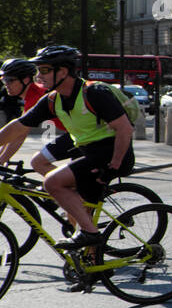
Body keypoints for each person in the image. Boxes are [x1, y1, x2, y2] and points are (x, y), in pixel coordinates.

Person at [0, 45, 135, 254]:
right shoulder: (52, 100)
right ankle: (92, 264)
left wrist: (114, 165)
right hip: (88, 152)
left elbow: (125, 129)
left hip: (112, 155)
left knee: (53, 182)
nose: (38, 76)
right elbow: (18, 127)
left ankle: (90, 233)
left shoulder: (94, 93)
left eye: (44, 70)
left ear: (62, 72)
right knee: (78, 205)